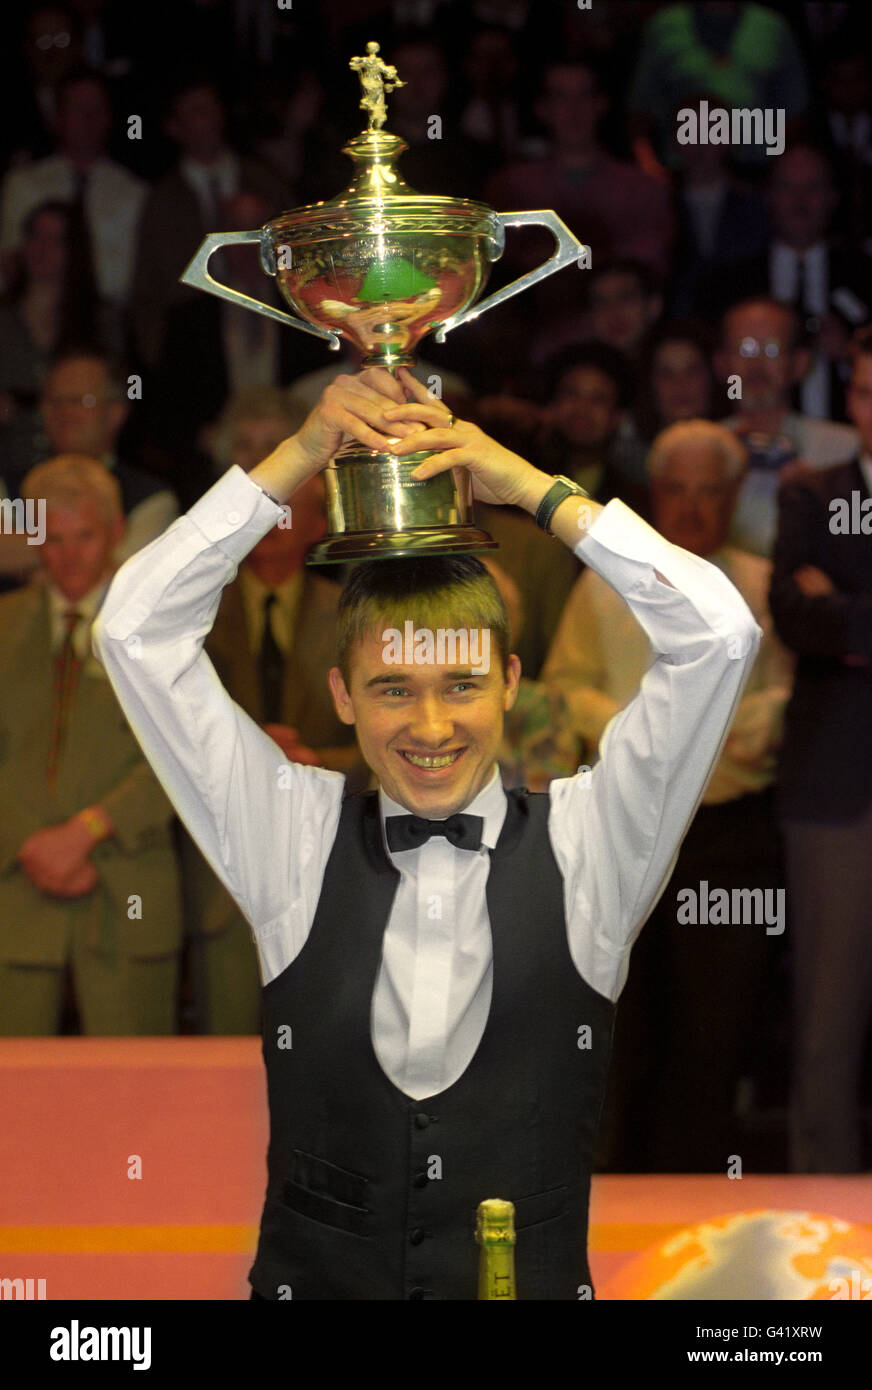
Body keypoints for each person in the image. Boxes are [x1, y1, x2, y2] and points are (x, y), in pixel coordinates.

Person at [92, 367, 760, 1300]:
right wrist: (294, 462)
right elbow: (135, 632)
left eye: (460, 686)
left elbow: (721, 635)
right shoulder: (290, 831)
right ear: (343, 698)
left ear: (510, 683)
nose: (431, 727)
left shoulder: (591, 845)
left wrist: (533, 488)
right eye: (394, 688)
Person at [543, 420, 794, 1169]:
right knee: (620, 1032)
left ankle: (701, 1213)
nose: (689, 508)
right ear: (653, 496)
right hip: (625, 833)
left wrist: (691, 734)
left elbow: (779, 706)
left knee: (714, 1036)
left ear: (735, 497)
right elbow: (564, 690)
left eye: (708, 491)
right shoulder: (603, 581)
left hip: (729, 840)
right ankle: (612, 1207)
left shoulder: (759, 582)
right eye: (675, 491)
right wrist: (647, 733)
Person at [0, 456, 183, 1035]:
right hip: (16, 888)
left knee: (134, 1096)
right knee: (15, 1100)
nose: (68, 554)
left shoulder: (163, 625)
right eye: (51, 538)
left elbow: (183, 754)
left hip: (128, 888)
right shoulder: (3, 624)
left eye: (84, 535)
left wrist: (85, 831)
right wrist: (32, 842)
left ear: (115, 531)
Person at [768, 328, 872, 1173]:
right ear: (851, 400)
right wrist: (826, 614)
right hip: (836, 790)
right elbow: (798, 621)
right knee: (827, 1030)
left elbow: (831, 617)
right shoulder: (808, 494)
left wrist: (848, 609)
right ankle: (821, 1229)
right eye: (869, 393)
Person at [715, 297, 858, 556]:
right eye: (744, 349)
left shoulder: (844, 449)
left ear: (800, 364)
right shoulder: (701, 449)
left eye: (772, 349)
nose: (756, 366)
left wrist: (816, 499)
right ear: (722, 364)